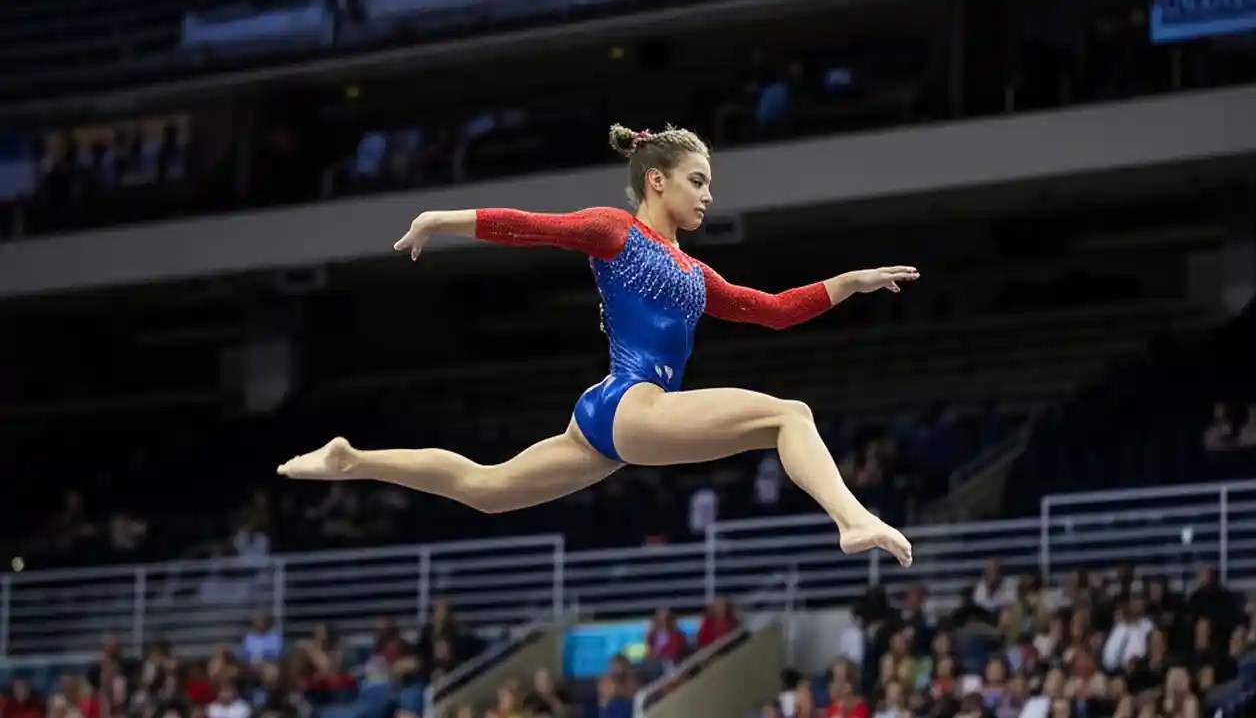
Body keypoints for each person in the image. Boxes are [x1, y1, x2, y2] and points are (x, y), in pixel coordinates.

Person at [278, 123, 915, 565]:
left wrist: (850, 282)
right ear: (657, 181)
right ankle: (852, 519)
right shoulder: (616, 231)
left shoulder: (696, 274)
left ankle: (353, 461)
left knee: (489, 489)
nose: (708, 194)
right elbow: (535, 228)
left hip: (611, 415)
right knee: (789, 415)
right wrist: (444, 219)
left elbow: (772, 310)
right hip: (633, 403)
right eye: (697, 180)